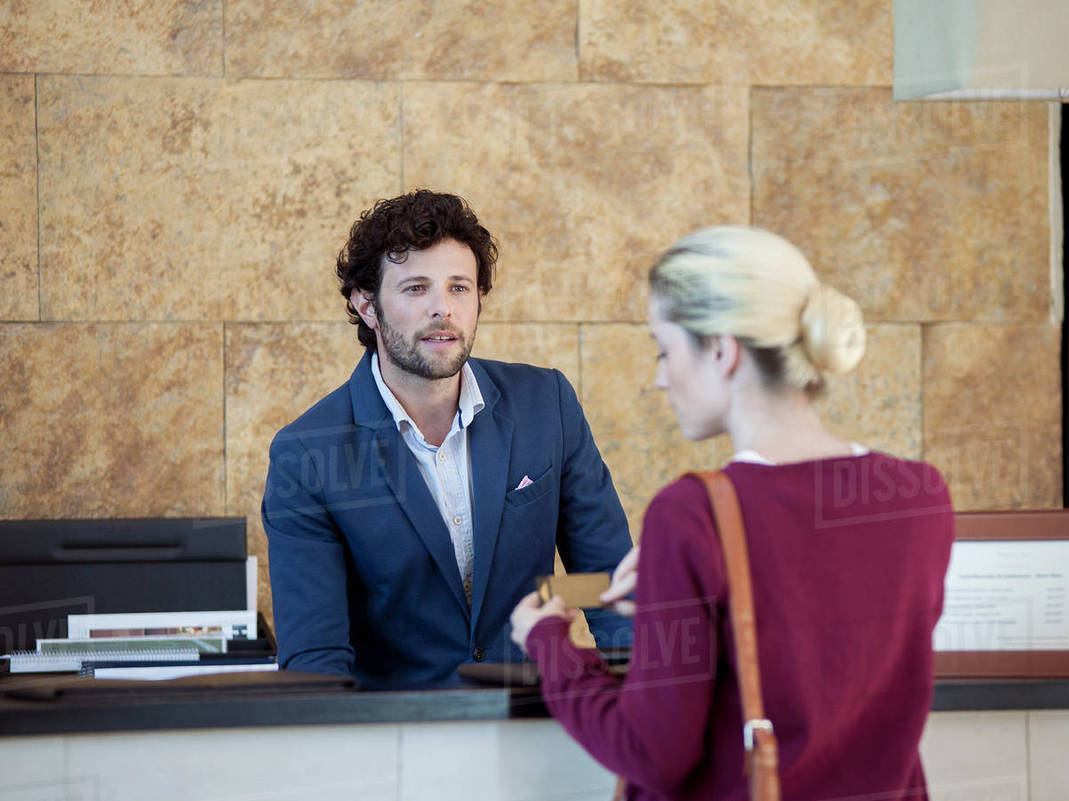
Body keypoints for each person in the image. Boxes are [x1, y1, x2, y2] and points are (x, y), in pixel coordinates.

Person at [511, 226, 955, 800]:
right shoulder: (920, 495)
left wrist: (549, 639)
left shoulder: (691, 513)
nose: (660, 377)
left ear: (722, 351)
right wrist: (680, 582)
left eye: (665, 350)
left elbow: (649, 752)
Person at [263, 189, 632, 689]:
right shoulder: (306, 455)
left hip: (536, 716)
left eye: (459, 287)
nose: (444, 309)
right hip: (399, 738)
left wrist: (644, 711)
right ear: (367, 306)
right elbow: (316, 658)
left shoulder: (547, 404)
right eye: (416, 289)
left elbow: (606, 582)